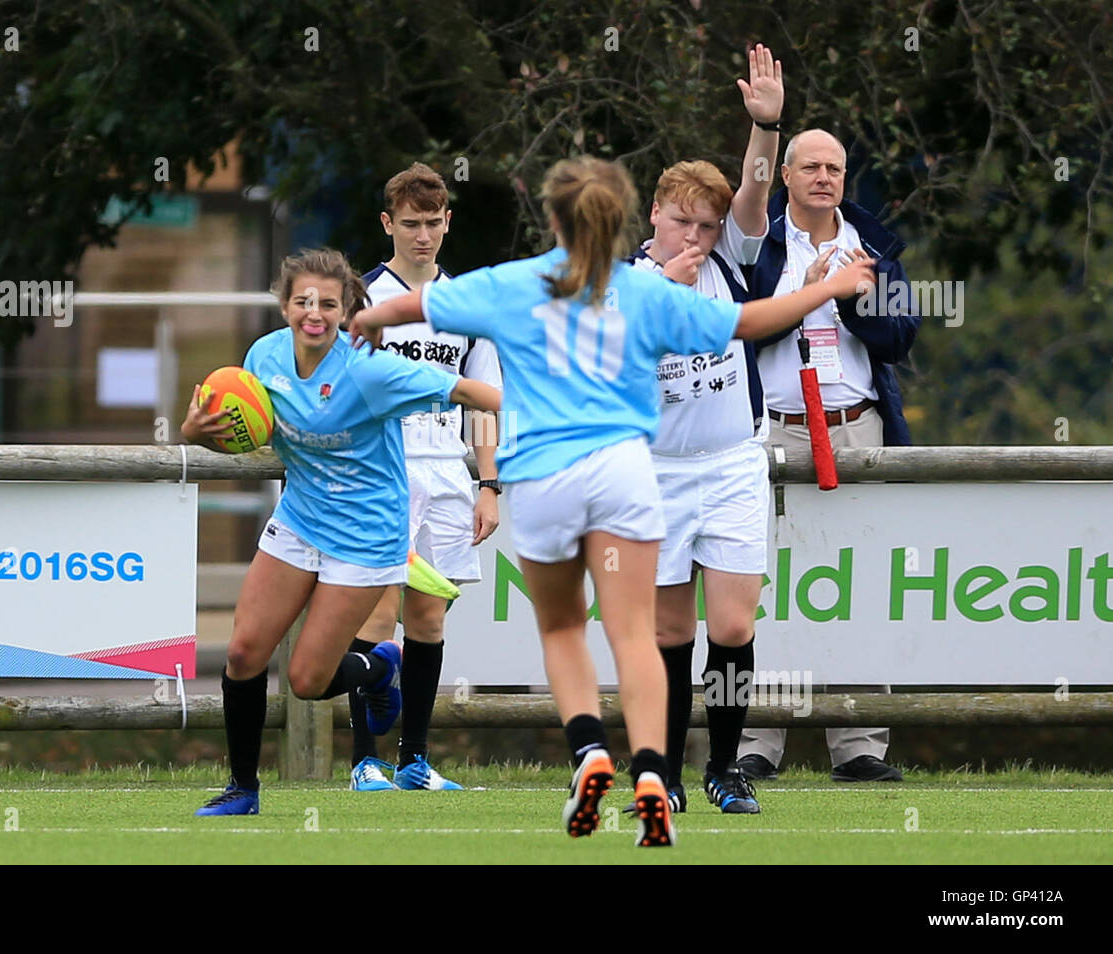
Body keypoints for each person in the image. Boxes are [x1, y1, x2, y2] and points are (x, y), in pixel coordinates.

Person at [349, 156, 877, 846]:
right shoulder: (644, 291)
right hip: (628, 472)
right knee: (638, 635)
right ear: (630, 218)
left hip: (544, 475)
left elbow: (409, 306)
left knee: (566, 632)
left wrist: (368, 322)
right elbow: (751, 321)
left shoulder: (515, 283)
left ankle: (590, 754)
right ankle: (655, 774)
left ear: (554, 219)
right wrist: (830, 287)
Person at [182, 247, 501, 816]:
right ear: (283, 306)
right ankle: (242, 790)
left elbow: (469, 393)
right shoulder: (263, 358)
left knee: (307, 679)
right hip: (301, 518)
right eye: (303, 301)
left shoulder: (370, 369)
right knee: (243, 652)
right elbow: (237, 426)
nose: (314, 312)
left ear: (349, 311)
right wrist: (194, 429)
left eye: (329, 304)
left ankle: (382, 666)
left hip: (367, 533)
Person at [625, 42, 782, 815]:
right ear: (654, 212)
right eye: (683, 221)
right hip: (652, 472)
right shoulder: (622, 284)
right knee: (665, 629)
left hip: (729, 463)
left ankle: (725, 768)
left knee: (732, 620)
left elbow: (754, 197)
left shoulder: (731, 260)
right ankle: (662, 773)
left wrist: (767, 128)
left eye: (709, 226)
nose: (697, 237)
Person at [736, 128, 920, 784]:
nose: (823, 177)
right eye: (810, 166)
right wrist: (804, 295)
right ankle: (756, 741)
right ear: (785, 175)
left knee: (860, 583)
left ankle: (859, 743)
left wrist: (850, 296)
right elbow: (735, 330)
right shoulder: (760, 245)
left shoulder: (871, 245)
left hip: (856, 428)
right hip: (772, 432)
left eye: (834, 168)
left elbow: (901, 337)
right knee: (763, 585)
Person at [346, 163, 503, 792]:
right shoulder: (363, 300)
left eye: (432, 223)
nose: (422, 235)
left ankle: (413, 759)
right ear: (388, 224)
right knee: (376, 617)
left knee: (430, 620)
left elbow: (485, 402)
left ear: (447, 223)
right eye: (409, 224)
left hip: (448, 473)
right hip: (383, 471)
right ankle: (364, 761)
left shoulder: (468, 305)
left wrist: (488, 485)